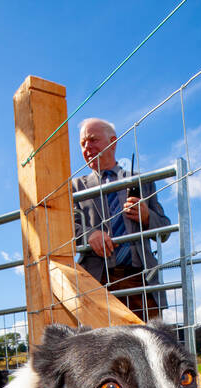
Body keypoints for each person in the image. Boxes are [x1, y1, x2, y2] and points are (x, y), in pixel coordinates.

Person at [71, 118, 172, 322]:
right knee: (99, 350)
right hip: (97, 282)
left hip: (141, 281)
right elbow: (65, 225)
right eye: (83, 144)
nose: (87, 147)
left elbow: (165, 230)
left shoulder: (142, 180)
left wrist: (146, 216)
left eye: (92, 140)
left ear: (113, 142)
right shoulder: (74, 187)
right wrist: (89, 235)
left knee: (150, 345)